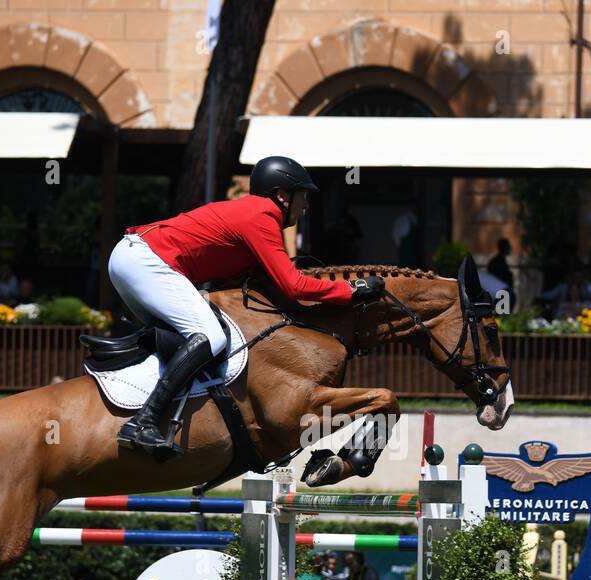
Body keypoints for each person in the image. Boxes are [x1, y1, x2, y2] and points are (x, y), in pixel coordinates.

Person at [109, 156, 385, 453]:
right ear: (282, 195)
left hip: (135, 259)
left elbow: (269, 284)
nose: (305, 205)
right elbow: (294, 286)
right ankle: (143, 422)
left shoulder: (253, 214)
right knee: (210, 337)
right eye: (302, 196)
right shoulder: (262, 216)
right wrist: (350, 289)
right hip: (146, 262)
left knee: (182, 340)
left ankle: (146, 409)